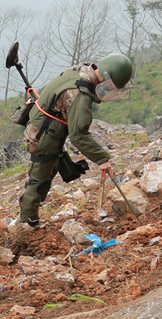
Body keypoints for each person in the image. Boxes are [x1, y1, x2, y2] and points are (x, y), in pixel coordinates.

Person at [18, 53, 134, 227]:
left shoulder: (83, 71)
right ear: (107, 80)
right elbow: (78, 135)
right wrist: (102, 158)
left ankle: (28, 216)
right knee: (39, 180)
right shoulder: (80, 94)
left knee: (46, 173)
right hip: (42, 135)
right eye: (112, 86)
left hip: (46, 129)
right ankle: (26, 223)